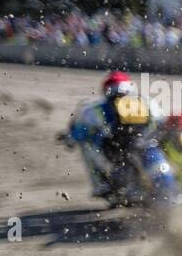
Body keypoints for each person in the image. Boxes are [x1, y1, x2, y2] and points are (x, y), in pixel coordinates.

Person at [62, 71, 171, 202]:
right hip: (146, 145)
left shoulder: (95, 108)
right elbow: (162, 123)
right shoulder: (147, 101)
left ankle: (101, 185)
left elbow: (77, 134)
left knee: (87, 143)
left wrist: (69, 139)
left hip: (116, 151)